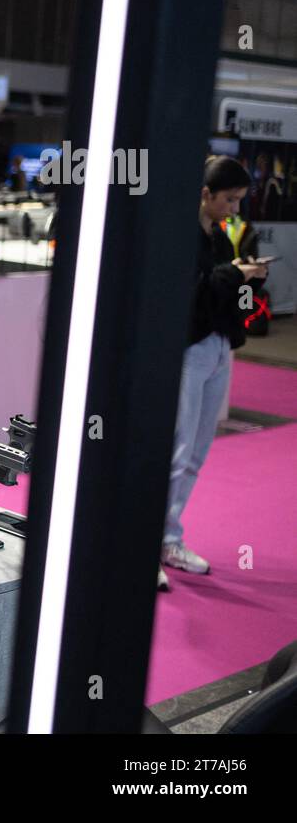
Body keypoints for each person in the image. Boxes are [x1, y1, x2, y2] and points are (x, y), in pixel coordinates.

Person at [159, 157, 268, 591]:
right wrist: (231, 276)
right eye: (229, 199)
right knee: (177, 451)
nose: (234, 208)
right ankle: (146, 542)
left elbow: (235, 306)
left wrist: (251, 282)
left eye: (239, 200)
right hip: (187, 351)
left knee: (197, 452)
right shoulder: (179, 238)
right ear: (205, 194)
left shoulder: (223, 240)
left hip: (220, 349)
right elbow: (187, 300)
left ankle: (169, 538)